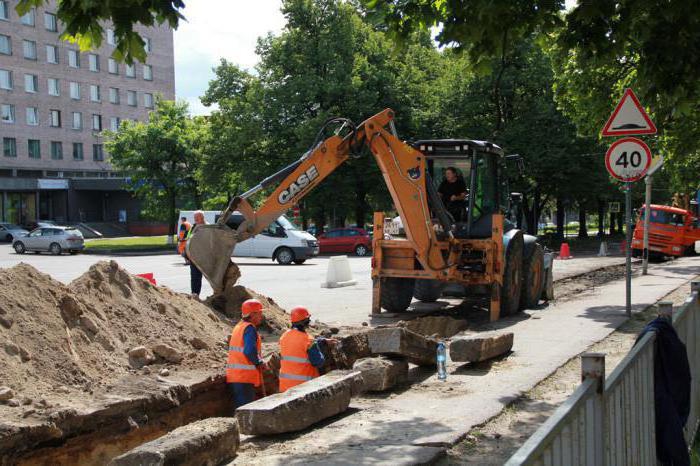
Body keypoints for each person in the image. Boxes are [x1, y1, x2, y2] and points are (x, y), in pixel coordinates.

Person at [278, 306, 333, 392]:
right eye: (308, 319)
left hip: (286, 386)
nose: (309, 321)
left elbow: (297, 346)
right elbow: (318, 362)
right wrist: (320, 349)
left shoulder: (284, 336)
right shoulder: (308, 340)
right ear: (305, 322)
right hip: (304, 386)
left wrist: (321, 341)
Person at [226, 299, 266, 409]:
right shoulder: (249, 328)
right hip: (243, 376)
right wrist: (259, 362)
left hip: (236, 375)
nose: (261, 316)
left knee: (241, 408)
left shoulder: (239, 326)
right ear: (252, 314)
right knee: (246, 410)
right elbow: (249, 351)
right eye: (260, 313)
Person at [187, 211, 205, 298]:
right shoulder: (193, 226)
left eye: (197, 218)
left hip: (205, 256)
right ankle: (195, 294)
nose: (195, 220)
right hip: (194, 256)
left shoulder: (208, 227)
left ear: (202, 217)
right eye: (195, 218)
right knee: (195, 276)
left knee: (211, 277)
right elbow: (189, 238)